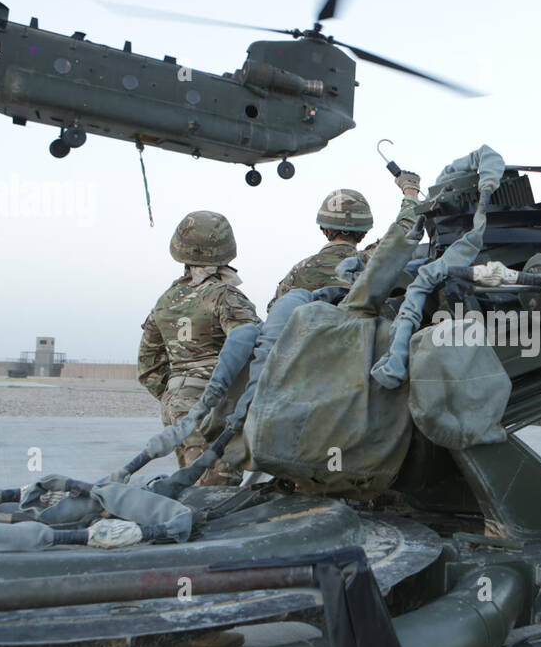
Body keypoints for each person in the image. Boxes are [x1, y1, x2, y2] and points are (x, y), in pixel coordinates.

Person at [138, 210, 260, 487]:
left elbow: (149, 367)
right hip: (212, 408)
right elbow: (254, 347)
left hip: (176, 406)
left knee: (193, 482)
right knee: (215, 489)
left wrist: (175, 398)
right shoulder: (223, 296)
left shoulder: (165, 301)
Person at [270, 188, 377, 305]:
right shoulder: (374, 262)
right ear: (363, 233)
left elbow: (276, 310)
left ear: (325, 230)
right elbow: (399, 233)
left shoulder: (298, 272)